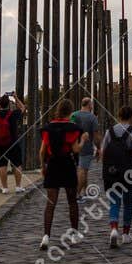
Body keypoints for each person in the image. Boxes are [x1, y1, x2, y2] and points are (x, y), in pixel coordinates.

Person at [101, 105, 132, 248]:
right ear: (131, 117)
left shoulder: (110, 132)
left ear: (119, 116)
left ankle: (114, 228)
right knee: (128, 203)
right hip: (129, 171)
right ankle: (126, 233)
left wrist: (107, 167)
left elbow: (103, 151)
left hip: (112, 171)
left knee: (114, 202)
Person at [39, 99, 83, 249]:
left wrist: (43, 166)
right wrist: (83, 140)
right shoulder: (72, 128)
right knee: (72, 201)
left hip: (52, 164)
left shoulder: (48, 128)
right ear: (70, 111)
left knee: (50, 203)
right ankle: (74, 233)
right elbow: (76, 149)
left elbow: (42, 151)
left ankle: (46, 236)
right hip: (67, 164)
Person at [0, 94, 25, 192]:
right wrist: (15, 97)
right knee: (17, 164)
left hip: (1, 144)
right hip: (13, 143)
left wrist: (3, 99)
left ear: (0, 104)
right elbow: (23, 107)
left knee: (2, 165)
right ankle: (18, 186)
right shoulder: (13, 114)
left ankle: (5, 188)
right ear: (9, 104)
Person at [71, 97, 101, 199]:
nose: (92, 106)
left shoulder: (74, 115)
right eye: (92, 104)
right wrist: (99, 148)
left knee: (84, 169)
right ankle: (77, 194)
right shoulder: (92, 118)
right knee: (83, 170)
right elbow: (96, 135)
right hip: (86, 147)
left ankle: (86, 191)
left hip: (73, 146)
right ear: (89, 105)